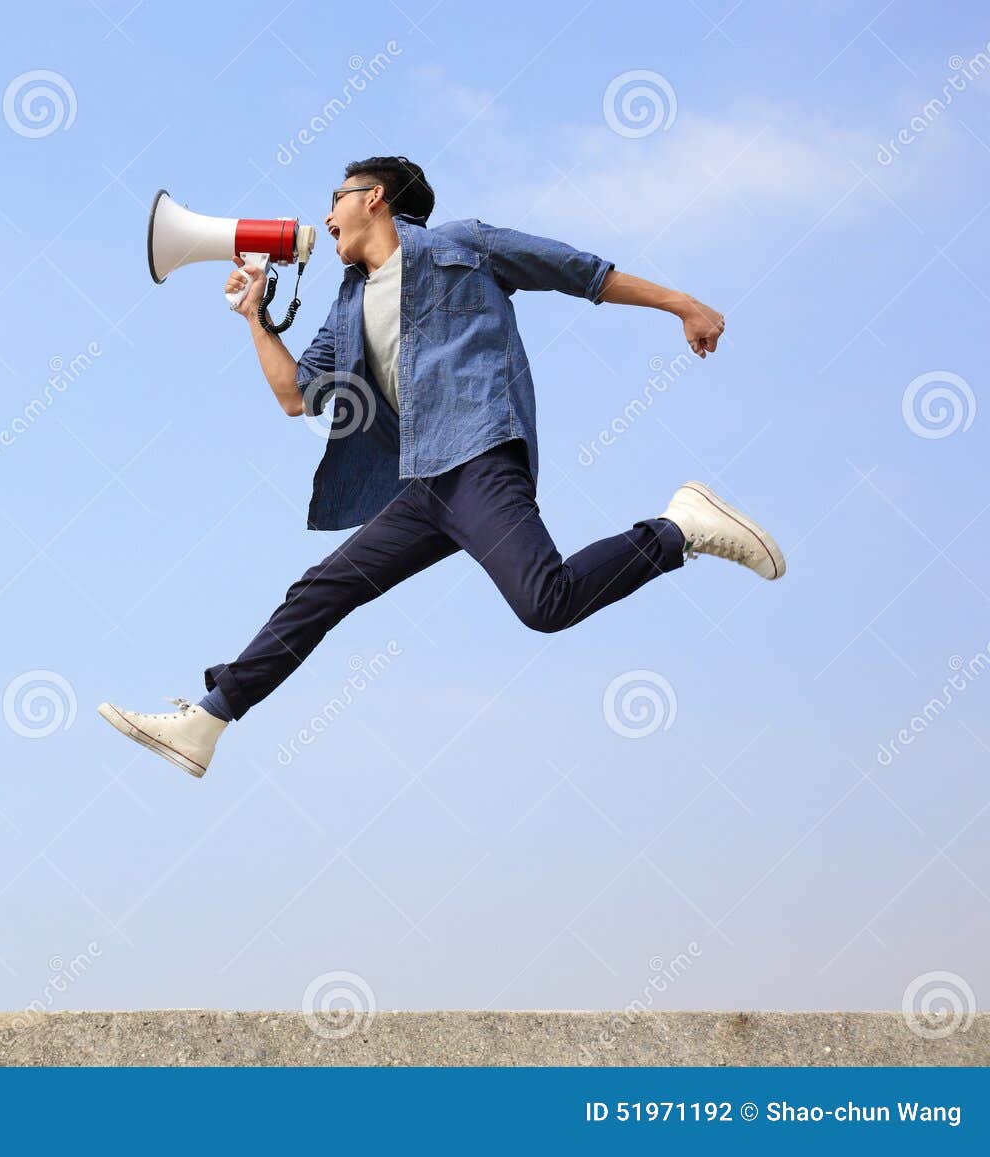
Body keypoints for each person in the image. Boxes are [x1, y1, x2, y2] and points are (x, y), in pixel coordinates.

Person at [98, 155, 783, 779]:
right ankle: (208, 721)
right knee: (321, 590)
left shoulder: (466, 243)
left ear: (374, 198)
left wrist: (683, 304)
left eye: (335, 198)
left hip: (479, 453)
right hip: (425, 483)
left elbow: (582, 272)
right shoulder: (348, 301)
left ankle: (678, 528)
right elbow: (293, 395)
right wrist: (255, 317)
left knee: (546, 603)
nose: (326, 216)